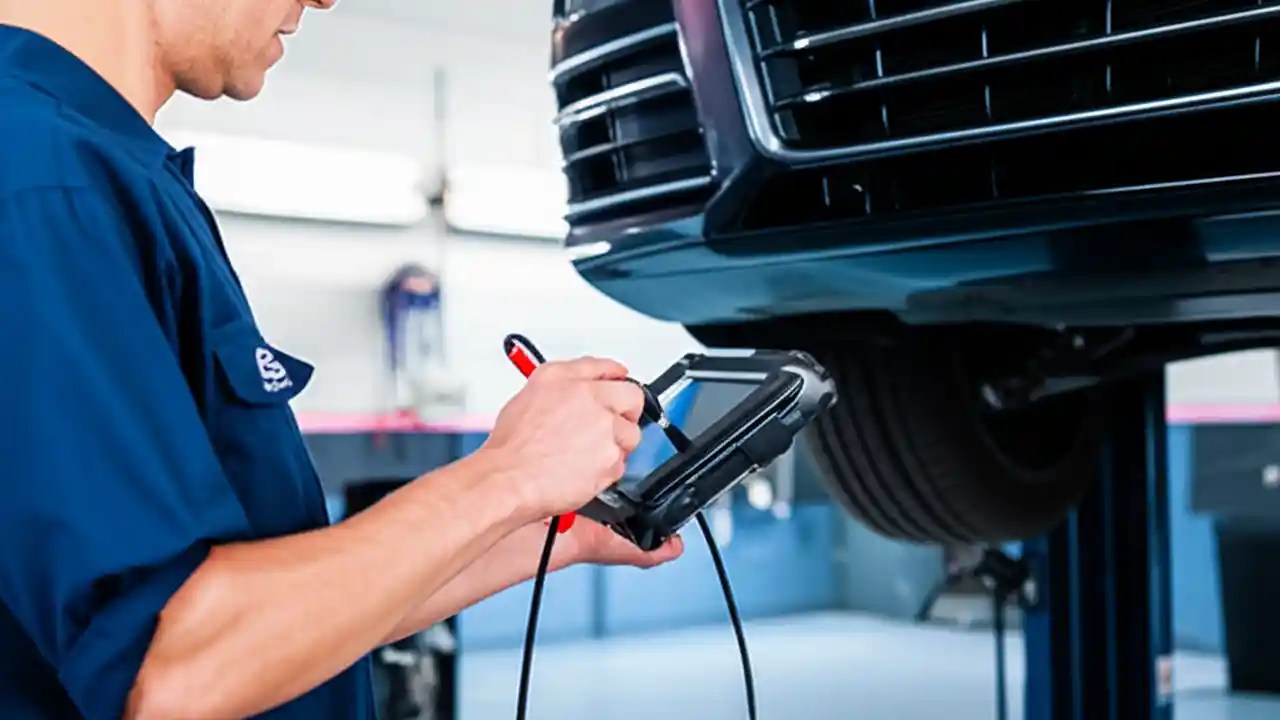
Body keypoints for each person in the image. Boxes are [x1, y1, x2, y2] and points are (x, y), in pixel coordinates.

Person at [0, 1, 684, 718]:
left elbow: (285, 620)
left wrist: (544, 531)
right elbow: (172, 668)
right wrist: (508, 474)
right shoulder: (42, 181)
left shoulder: (117, 176)